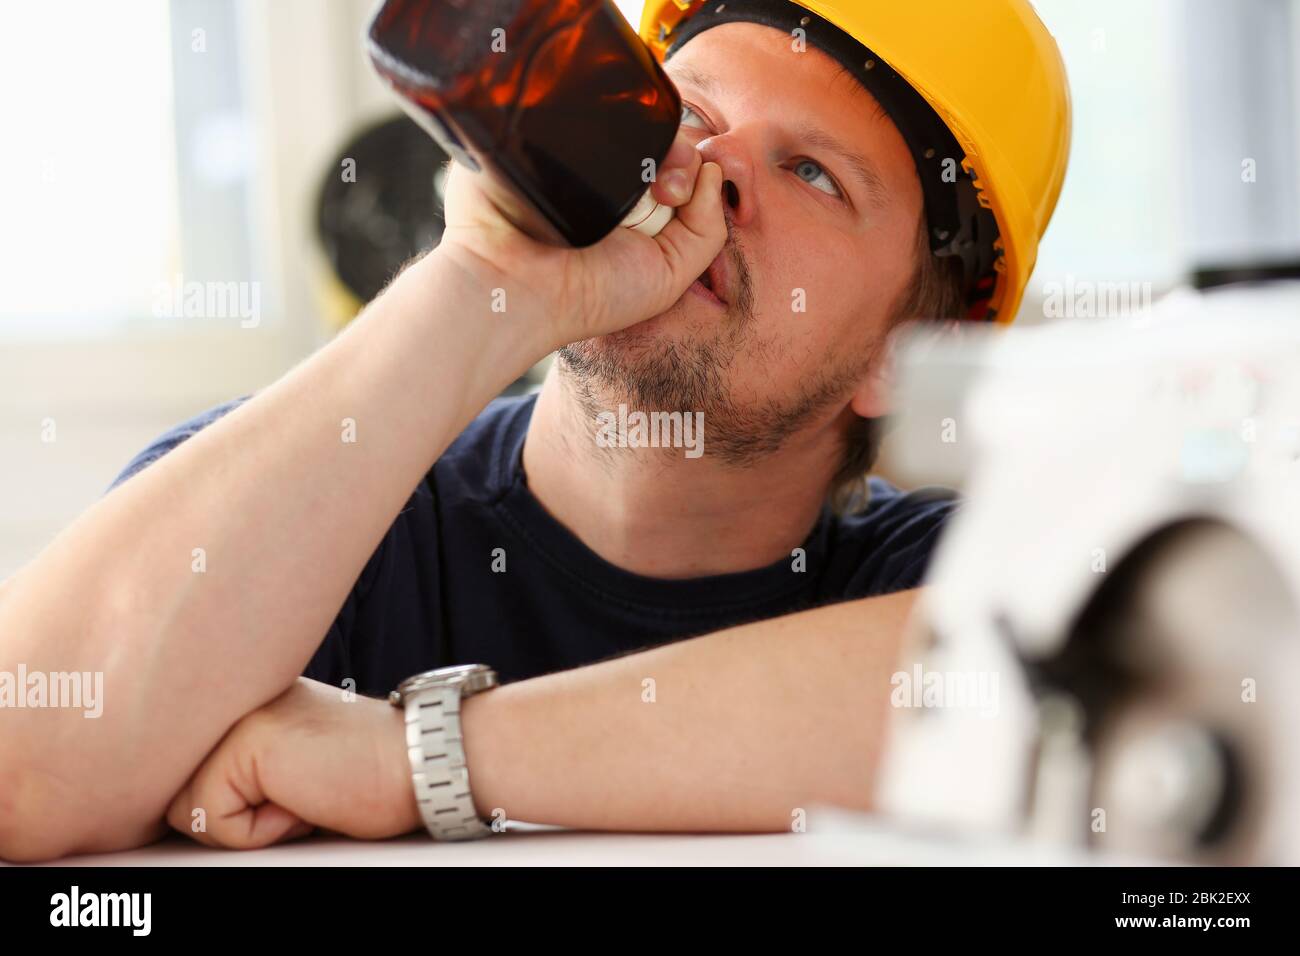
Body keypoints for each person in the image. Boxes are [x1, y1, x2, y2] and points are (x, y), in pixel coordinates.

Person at [0, 0, 1069, 859]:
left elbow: (1035, 692)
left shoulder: (932, 574)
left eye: (811, 172)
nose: (716, 167)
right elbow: (20, 768)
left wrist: (415, 758)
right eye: (690, 108)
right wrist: (484, 282)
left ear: (914, 348)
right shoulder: (318, 508)